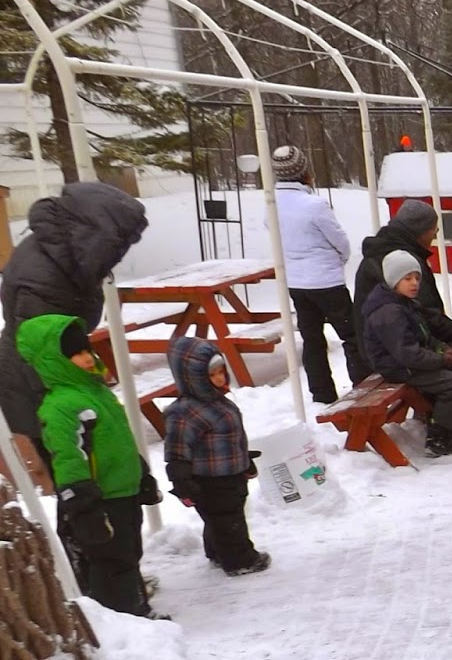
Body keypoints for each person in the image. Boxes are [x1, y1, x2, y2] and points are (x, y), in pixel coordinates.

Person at [17, 313, 162, 617]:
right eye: (75, 354)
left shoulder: (97, 392)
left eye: (86, 350)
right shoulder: (60, 407)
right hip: (101, 498)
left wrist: (140, 474)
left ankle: (138, 609)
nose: (86, 358)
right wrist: (84, 508)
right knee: (111, 562)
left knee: (129, 554)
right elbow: (69, 459)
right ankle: (124, 620)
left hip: (123, 491)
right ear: (53, 361)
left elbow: (118, 440)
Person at [0, 181, 147, 478]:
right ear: (96, 234)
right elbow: (43, 353)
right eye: (118, 244)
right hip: (42, 391)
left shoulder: (64, 255)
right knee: (79, 480)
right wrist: (80, 406)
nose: (119, 254)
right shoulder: (45, 275)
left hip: (65, 380)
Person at [351, 199, 452, 385]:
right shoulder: (405, 262)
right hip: (396, 355)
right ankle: (446, 401)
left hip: (385, 347)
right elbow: (427, 316)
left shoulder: (377, 254)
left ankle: (450, 397)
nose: (435, 235)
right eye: (434, 230)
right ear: (421, 231)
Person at [361, 251, 452, 457]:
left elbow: (425, 338)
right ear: (393, 280)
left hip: (413, 362)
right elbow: (407, 353)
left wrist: (445, 348)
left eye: (417, 278)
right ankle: (438, 438)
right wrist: (442, 360)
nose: (414, 283)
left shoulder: (405, 302)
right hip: (399, 368)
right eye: (407, 278)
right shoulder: (388, 311)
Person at [164, 337, 270, 576]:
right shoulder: (184, 411)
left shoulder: (218, 402)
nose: (220, 378)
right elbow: (177, 449)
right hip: (209, 480)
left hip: (230, 473)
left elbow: (229, 438)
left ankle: (216, 551)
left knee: (222, 518)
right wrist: (181, 479)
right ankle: (241, 561)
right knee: (227, 519)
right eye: (212, 375)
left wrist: (244, 460)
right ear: (193, 378)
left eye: (221, 371)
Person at [271, 144, 359, 403]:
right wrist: (338, 260)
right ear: (304, 172)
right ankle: (364, 385)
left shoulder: (272, 204)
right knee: (352, 336)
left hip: (297, 283)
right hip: (327, 281)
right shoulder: (315, 205)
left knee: (312, 339)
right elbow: (340, 241)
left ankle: (321, 393)